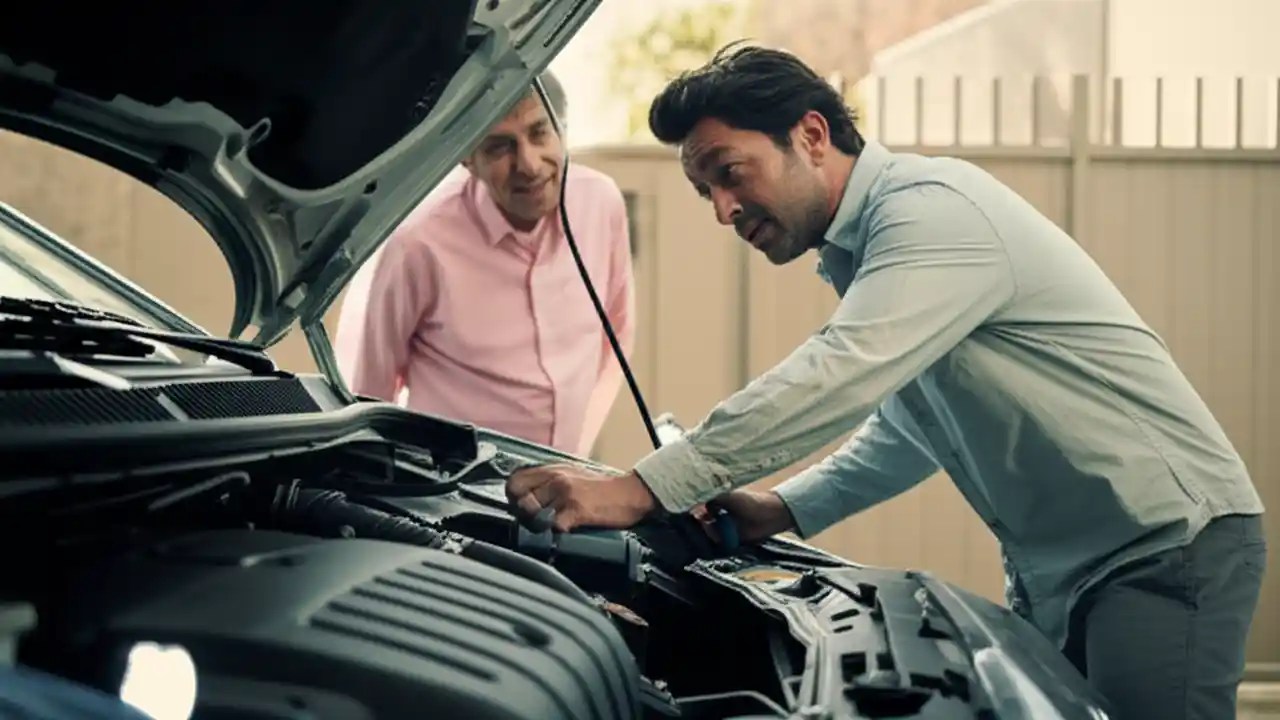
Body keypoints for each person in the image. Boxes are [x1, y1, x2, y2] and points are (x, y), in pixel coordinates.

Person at [505, 43, 1266, 718]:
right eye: (706, 192)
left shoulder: (931, 216)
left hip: (1164, 544)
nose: (723, 209)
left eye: (729, 174)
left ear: (810, 135)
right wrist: (780, 509)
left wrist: (641, 487)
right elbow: (910, 434)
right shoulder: (865, 251)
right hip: (1070, 567)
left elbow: (836, 375)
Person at [335, 71, 635, 457]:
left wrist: (576, 456)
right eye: (499, 147)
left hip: (569, 475)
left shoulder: (602, 202)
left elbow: (617, 334)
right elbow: (370, 390)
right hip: (452, 486)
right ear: (466, 159)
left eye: (540, 132)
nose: (528, 164)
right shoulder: (418, 243)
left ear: (563, 129)